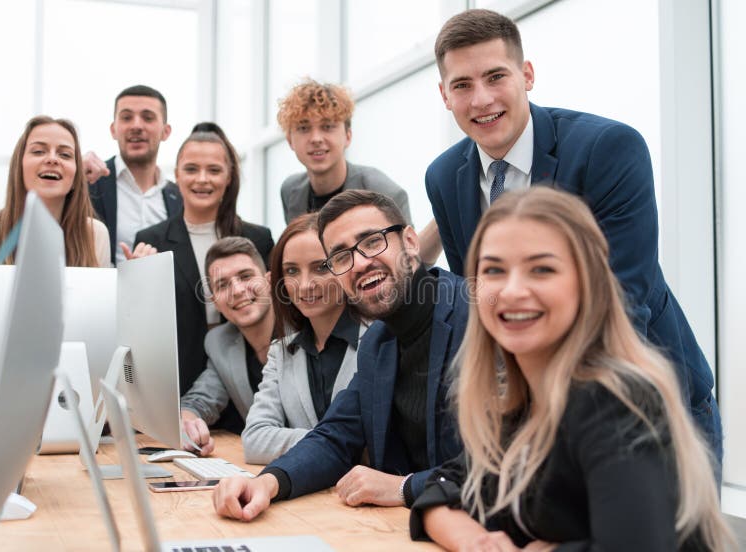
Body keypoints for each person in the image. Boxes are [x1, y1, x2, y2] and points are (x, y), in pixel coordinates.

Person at [425, 8, 722, 464]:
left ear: (527, 75)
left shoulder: (607, 149)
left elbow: (623, 299)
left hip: (645, 403)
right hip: (530, 418)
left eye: (495, 76)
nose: (481, 99)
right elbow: (482, 301)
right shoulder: (444, 177)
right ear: (444, 96)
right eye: (462, 85)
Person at [409, 187, 730, 551]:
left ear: (587, 284)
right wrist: (476, 542)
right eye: (494, 269)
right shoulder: (519, 401)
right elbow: (440, 490)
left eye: (542, 269)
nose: (513, 290)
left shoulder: (611, 399)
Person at [211, 190, 465, 521]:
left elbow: (514, 459)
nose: (359, 263)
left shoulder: (473, 316)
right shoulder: (379, 341)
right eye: (341, 257)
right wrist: (268, 483)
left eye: (372, 242)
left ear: (411, 242)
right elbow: (335, 437)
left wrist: (405, 487)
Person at [0, 115, 110, 438]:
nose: (52, 158)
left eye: (65, 154)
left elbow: (101, 332)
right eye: (39, 150)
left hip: (68, 412)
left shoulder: (95, 236)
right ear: (19, 165)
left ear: (76, 173)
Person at [135, 125, 273, 396]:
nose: (202, 179)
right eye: (191, 169)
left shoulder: (258, 238)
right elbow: (142, 326)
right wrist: (137, 280)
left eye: (213, 170)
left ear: (229, 177)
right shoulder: (151, 241)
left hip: (247, 381)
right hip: (180, 381)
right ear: (176, 176)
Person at [276, 79, 442, 265]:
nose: (316, 138)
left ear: (348, 136)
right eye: (304, 128)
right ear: (290, 140)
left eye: (328, 126)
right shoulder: (290, 191)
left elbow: (410, 264)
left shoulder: (382, 191)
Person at [241, 213, 363, 464]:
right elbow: (254, 440)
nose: (305, 285)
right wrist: (333, 445)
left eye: (320, 268)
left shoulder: (378, 340)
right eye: (292, 271)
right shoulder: (282, 351)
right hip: (308, 496)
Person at [180, 237, 275, 456]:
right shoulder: (219, 341)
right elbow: (199, 401)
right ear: (214, 301)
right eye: (223, 285)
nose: (237, 290)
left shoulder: (304, 330)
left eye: (246, 276)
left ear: (269, 281)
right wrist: (188, 426)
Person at [84, 84, 182, 265]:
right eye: (127, 117)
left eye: (148, 118)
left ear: (165, 131)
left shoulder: (179, 197)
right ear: (113, 129)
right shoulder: (88, 184)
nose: (136, 126)